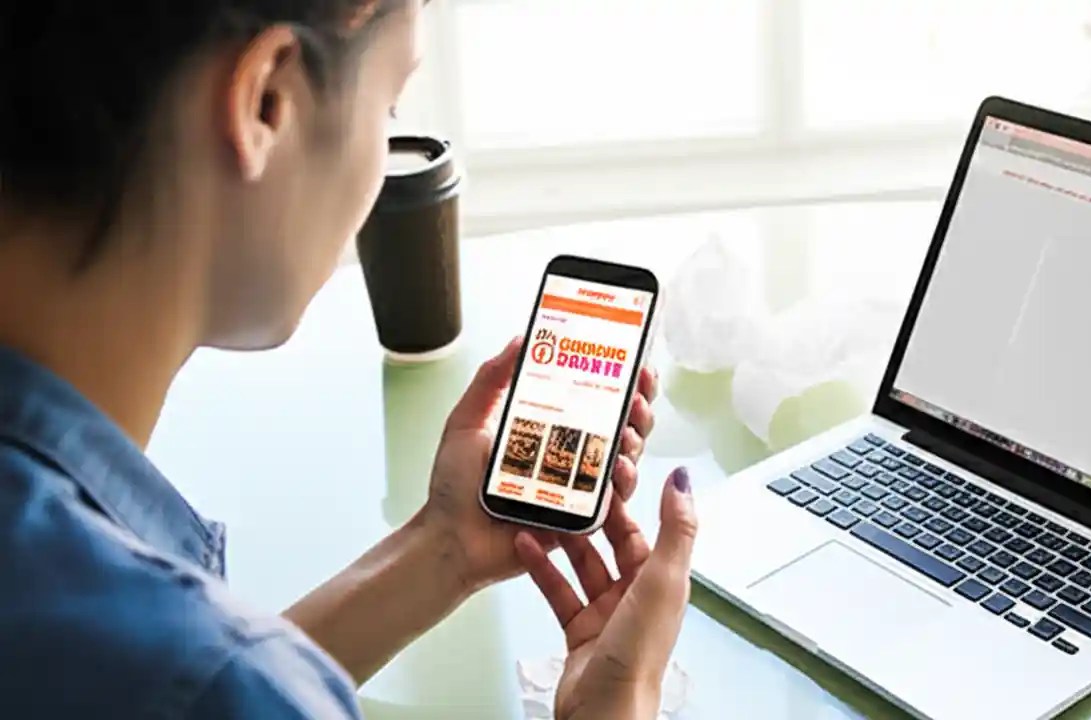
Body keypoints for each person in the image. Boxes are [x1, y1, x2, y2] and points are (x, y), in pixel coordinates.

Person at [0, 1, 698, 718]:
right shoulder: (211, 682)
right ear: (266, 101)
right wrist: (619, 701)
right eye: (388, 108)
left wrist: (445, 547)